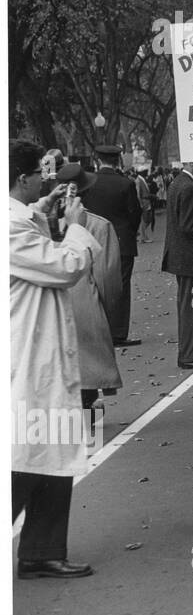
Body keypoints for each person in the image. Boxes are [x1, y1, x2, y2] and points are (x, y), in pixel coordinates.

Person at [10, 140, 99, 578]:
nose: (44, 181)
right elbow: (64, 267)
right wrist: (77, 227)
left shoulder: (21, 221)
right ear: (23, 178)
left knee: (54, 448)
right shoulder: (10, 228)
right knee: (24, 454)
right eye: (39, 175)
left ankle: (42, 550)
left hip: (42, 352)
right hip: (28, 355)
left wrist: (43, 213)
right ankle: (39, 548)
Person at [53, 163, 122, 420]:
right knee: (88, 367)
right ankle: (88, 414)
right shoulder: (100, 226)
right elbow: (108, 277)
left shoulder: (38, 223)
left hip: (51, 303)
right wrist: (105, 309)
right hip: (86, 301)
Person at [77, 144, 142, 345]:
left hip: (92, 239)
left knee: (94, 285)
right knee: (120, 288)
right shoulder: (126, 183)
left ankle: (98, 329)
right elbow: (135, 213)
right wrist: (127, 232)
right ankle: (118, 332)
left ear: (98, 160)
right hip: (121, 240)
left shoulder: (89, 183)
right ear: (117, 161)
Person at [162, 162, 193, 369]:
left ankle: (190, 352)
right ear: (190, 161)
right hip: (189, 257)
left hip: (180, 256)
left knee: (189, 305)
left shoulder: (178, 182)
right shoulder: (189, 187)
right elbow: (189, 226)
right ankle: (191, 354)